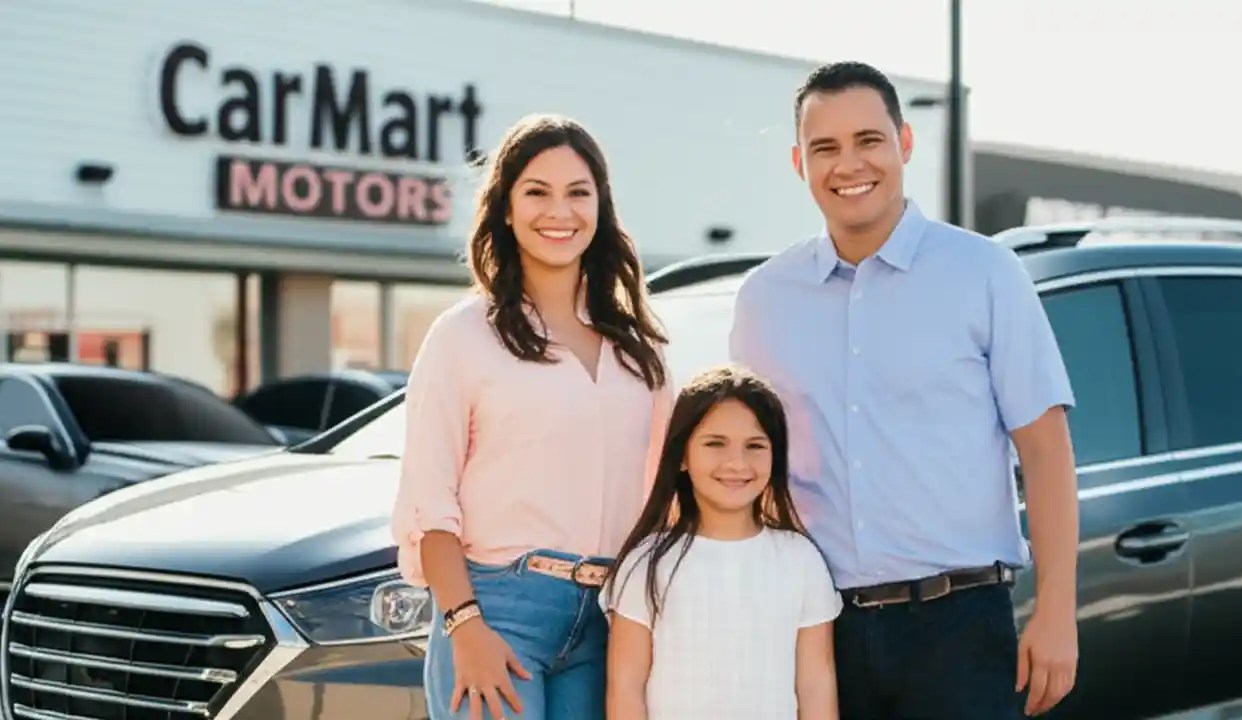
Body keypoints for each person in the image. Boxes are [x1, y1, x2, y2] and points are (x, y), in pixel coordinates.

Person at [728, 61, 1081, 719]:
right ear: (798, 161)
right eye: (824, 148)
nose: (848, 164)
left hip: (960, 628)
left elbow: (1046, 450)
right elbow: (742, 466)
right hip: (817, 629)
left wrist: (1058, 612)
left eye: (868, 140)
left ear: (905, 144)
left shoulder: (986, 274)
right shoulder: (765, 300)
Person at [390, 113, 673, 720]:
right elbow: (429, 502)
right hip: (497, 609)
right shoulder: (464, 336)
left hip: (611, 617)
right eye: (536, 192)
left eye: (578, 192)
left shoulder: (639, 350)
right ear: (507, 210)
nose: (559, 211)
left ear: (601, 206)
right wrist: (465, 628)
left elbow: (670, 495)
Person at [601, 364, 843, 719]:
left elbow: (816, 685)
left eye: (755, 445)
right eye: (715, 443)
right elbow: (625, 689)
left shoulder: (801, 559)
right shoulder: (646, 562)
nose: (736, 462)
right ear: (682, 454)